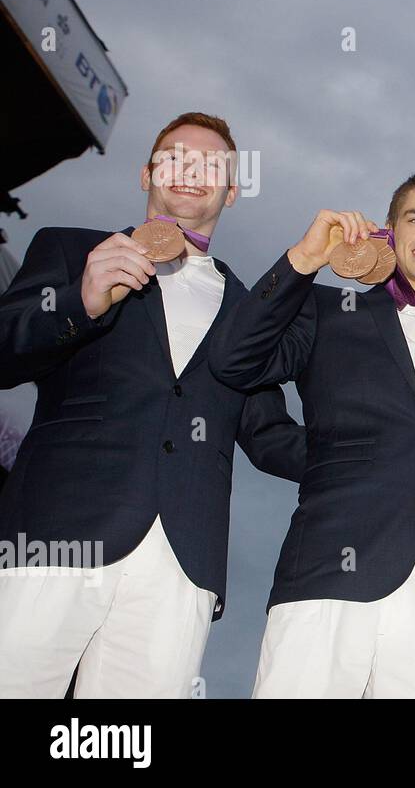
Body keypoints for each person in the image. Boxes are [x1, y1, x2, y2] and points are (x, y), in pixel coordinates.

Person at [0, 112, 305, 698]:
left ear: (231, 190)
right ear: (146, 175)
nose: (190, 171)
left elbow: (270, 437)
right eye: (175, 157)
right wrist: (81, 303)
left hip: (180, 565)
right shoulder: (70, 250)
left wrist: (377, 450)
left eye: (209, 163)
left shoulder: (250, 313)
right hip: (52, 540)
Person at [208, 166, 415, 698]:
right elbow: (233, 361)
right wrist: (304, 260)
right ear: (389, 228)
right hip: (327, 571)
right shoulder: (325, 311)